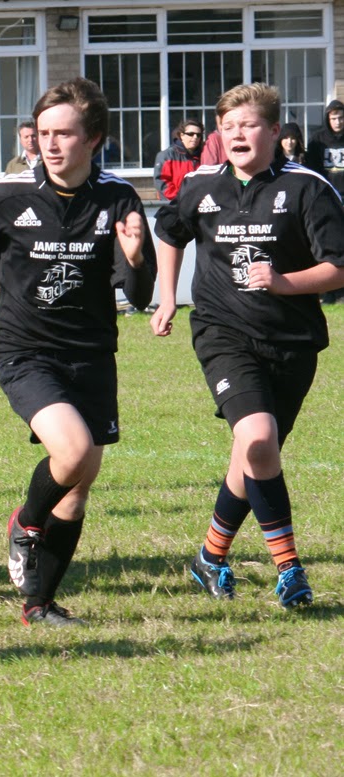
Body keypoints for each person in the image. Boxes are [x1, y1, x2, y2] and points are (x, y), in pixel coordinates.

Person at [0, 77, 156, 627]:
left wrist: (137, 258)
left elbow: (139, 297)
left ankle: (38, 604)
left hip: (91, 354)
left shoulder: (117, 198)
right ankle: (25, 522)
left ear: (93, 138)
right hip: (24, 351)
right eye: (42, 133)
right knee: (70, 453)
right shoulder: (7, 196)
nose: (49, 144)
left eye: (63, 134)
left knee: (78, 483)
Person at [152, 82, 344, 609]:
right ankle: (290, 568)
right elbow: (169, 231)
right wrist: (167, 297)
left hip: (293, 341)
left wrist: (283, 282)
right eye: (228, 126)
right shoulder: (200, 184)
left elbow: (338, 266)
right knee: (258, 435)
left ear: (276, 132)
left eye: (250, 125)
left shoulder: (310, 189)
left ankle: (210, 558)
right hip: (222, 331)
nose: (237, 134)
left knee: (253, 452)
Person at [153, 118, 204, 202]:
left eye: (198, 135)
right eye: (191, 134)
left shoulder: (203, 156)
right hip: (173, 206)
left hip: (198, 206)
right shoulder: (166, 155)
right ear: (181, 135)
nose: (195, 137)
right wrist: (181, 198)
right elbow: (162, 182)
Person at [306, 99, 344, 193]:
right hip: (325, 193)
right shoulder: (317, 139)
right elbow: (312, 169)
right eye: (334, 119)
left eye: (341, 118)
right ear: (328, 119)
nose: (338, 122)